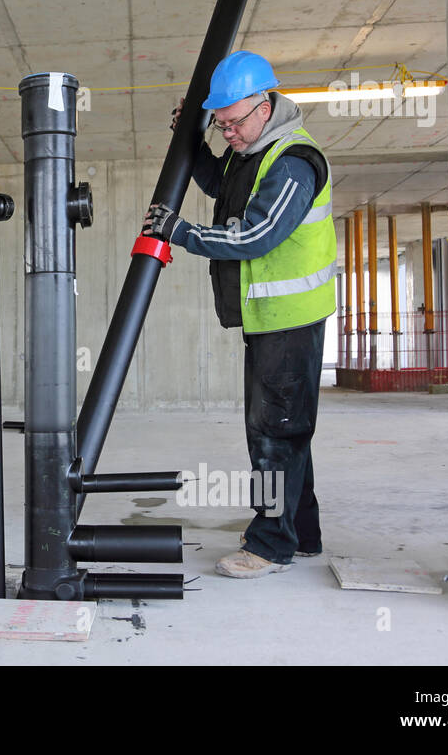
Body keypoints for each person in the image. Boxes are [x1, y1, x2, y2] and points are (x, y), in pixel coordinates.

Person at [142, 50, 336, 579]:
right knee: (289, 429)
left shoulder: (292, 162)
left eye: (232, 123)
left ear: (264, 104)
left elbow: (255, 234)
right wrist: (190, 138)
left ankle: (270, 546)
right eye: (219, 124)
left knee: (273, 433)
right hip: (271, 317)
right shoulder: (252, 152)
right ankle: (303, 535)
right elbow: (217, 183)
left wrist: (179, 232)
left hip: (291, 318)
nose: (226, 132)